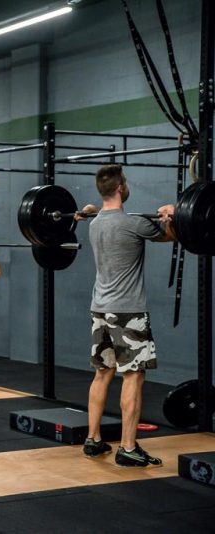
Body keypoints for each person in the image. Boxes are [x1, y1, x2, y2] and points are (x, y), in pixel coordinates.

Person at [78, 164, 175, 467]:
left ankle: (93, 440)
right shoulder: (133, 224)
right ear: (121, 188)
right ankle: (128, 447)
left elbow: (97, 214)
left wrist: (91, 210)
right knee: (133, 376)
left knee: (102, 372)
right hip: (128, 312)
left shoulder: (94, 224)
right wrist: (171, 216)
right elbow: (170, 236)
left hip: (100, 309)